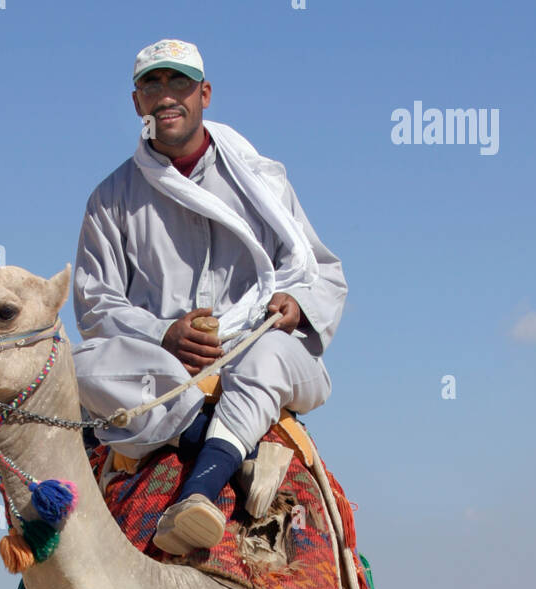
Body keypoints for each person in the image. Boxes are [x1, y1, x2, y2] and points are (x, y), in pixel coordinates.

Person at [72, 39, 347, 555]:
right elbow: (94, 305)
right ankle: (222, 451)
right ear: (137, 103)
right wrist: (164, 334)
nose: (166, 96)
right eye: (152, 85)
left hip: (262, 355)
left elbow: (323, 272)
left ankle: (198, 490)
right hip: (164, 377)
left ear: (205, 94)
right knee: (76, 364)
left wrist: (296, 304)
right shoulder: (110, 199)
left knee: (265, 358)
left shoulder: (260, 181)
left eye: (179, 82)